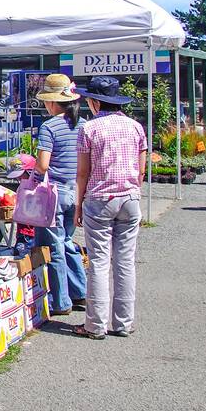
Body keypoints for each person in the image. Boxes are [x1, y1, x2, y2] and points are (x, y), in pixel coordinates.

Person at [73, 76, 148, 339]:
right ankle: (124, 323)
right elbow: (141, 170)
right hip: (129, 198)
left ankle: (95, 325)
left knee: (99, 262)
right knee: (125, 262)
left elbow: (83, 172)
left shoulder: (90, 129)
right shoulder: (136, 127)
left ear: (95, 102)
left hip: (99, 199)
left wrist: (78, 204)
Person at [32, 73, 85, 315]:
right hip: (76, 191)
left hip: (54, 193)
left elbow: (42, 165)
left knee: (54, 247)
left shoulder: (49, 126)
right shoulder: (83, 124)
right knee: (68, 243)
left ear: (53, 102)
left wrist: (30, 179)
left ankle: (60, 301)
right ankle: (80, 292)